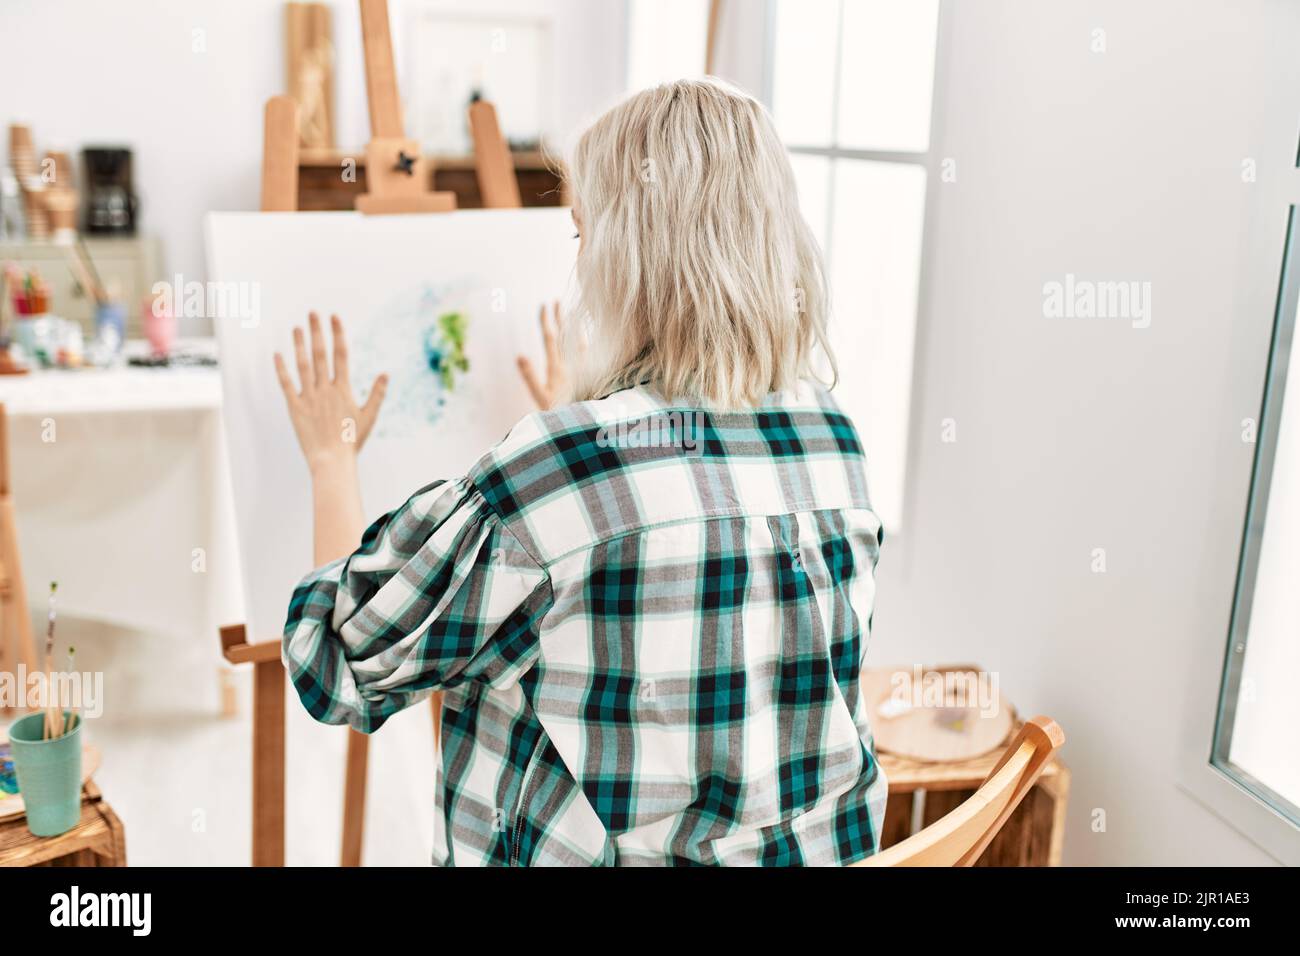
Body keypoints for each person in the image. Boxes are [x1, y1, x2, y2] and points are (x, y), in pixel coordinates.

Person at [274, 78, 887, 866]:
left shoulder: (554, 475)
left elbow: (338, 655)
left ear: (627, 256)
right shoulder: (833, 442)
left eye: (580, 234)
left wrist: (331, 461)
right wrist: (581, 420)